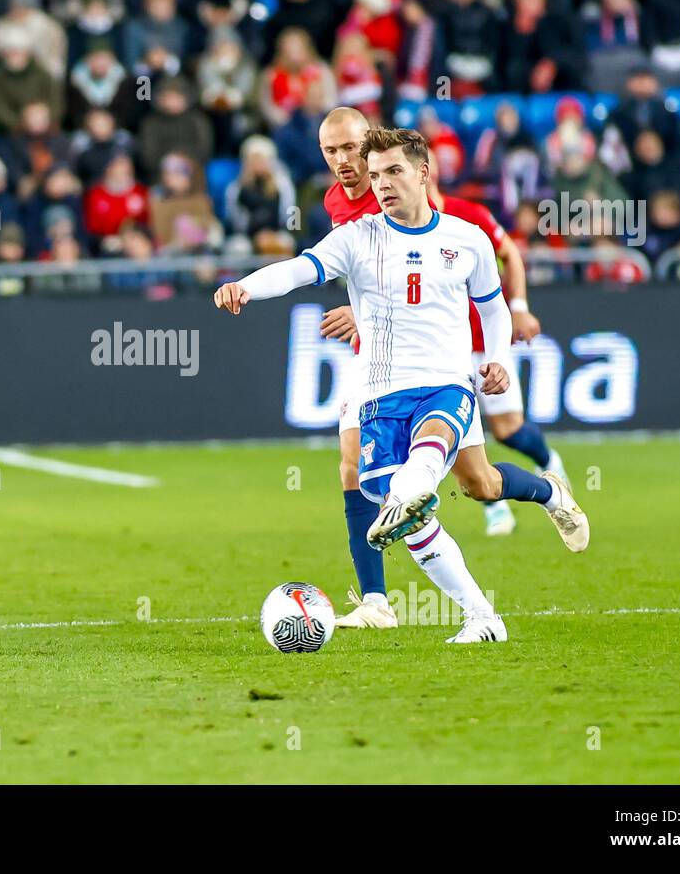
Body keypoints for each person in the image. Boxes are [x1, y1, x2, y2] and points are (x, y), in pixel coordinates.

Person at [215, 127, 542, 643]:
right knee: (461, 495)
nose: (382, 184)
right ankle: (483, 617)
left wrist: (498, 358)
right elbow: (298, 271)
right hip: (379, 395)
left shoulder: (466, 238)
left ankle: (416, 495)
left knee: (417, 479)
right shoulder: (357, 238)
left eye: (393, 172)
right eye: (376, 176)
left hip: (445, 384)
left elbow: (493, 309)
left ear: (422, 173)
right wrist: (246, 288)